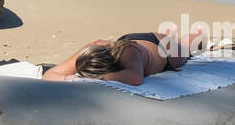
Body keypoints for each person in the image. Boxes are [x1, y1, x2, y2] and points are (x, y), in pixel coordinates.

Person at [41, 27, 205, 85]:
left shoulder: (128, 53)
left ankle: (197, 35)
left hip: (163, 48)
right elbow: (50, 75)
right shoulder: (93, 48)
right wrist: (72, 78)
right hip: (134, 41)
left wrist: (93, 79)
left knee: (187, 48)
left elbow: (135, 78)